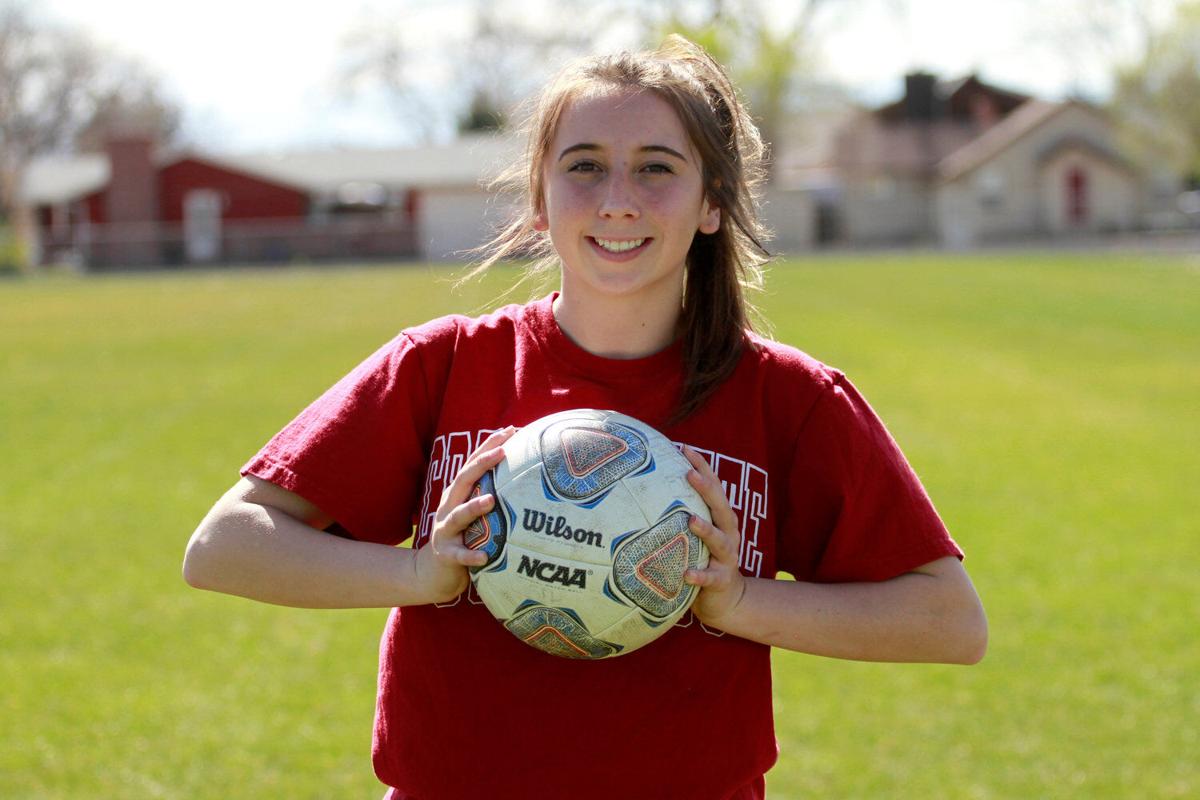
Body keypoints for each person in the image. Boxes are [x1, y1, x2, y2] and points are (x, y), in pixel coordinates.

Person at [183, 35, 987, 800]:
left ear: (712, 203)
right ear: (539, 199)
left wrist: (742, 603)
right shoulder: (444, 366)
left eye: (656, 169)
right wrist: (415, 574)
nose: (617, 201)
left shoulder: (789, 400)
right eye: (585, 166)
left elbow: (948, 622)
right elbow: (223, 546)